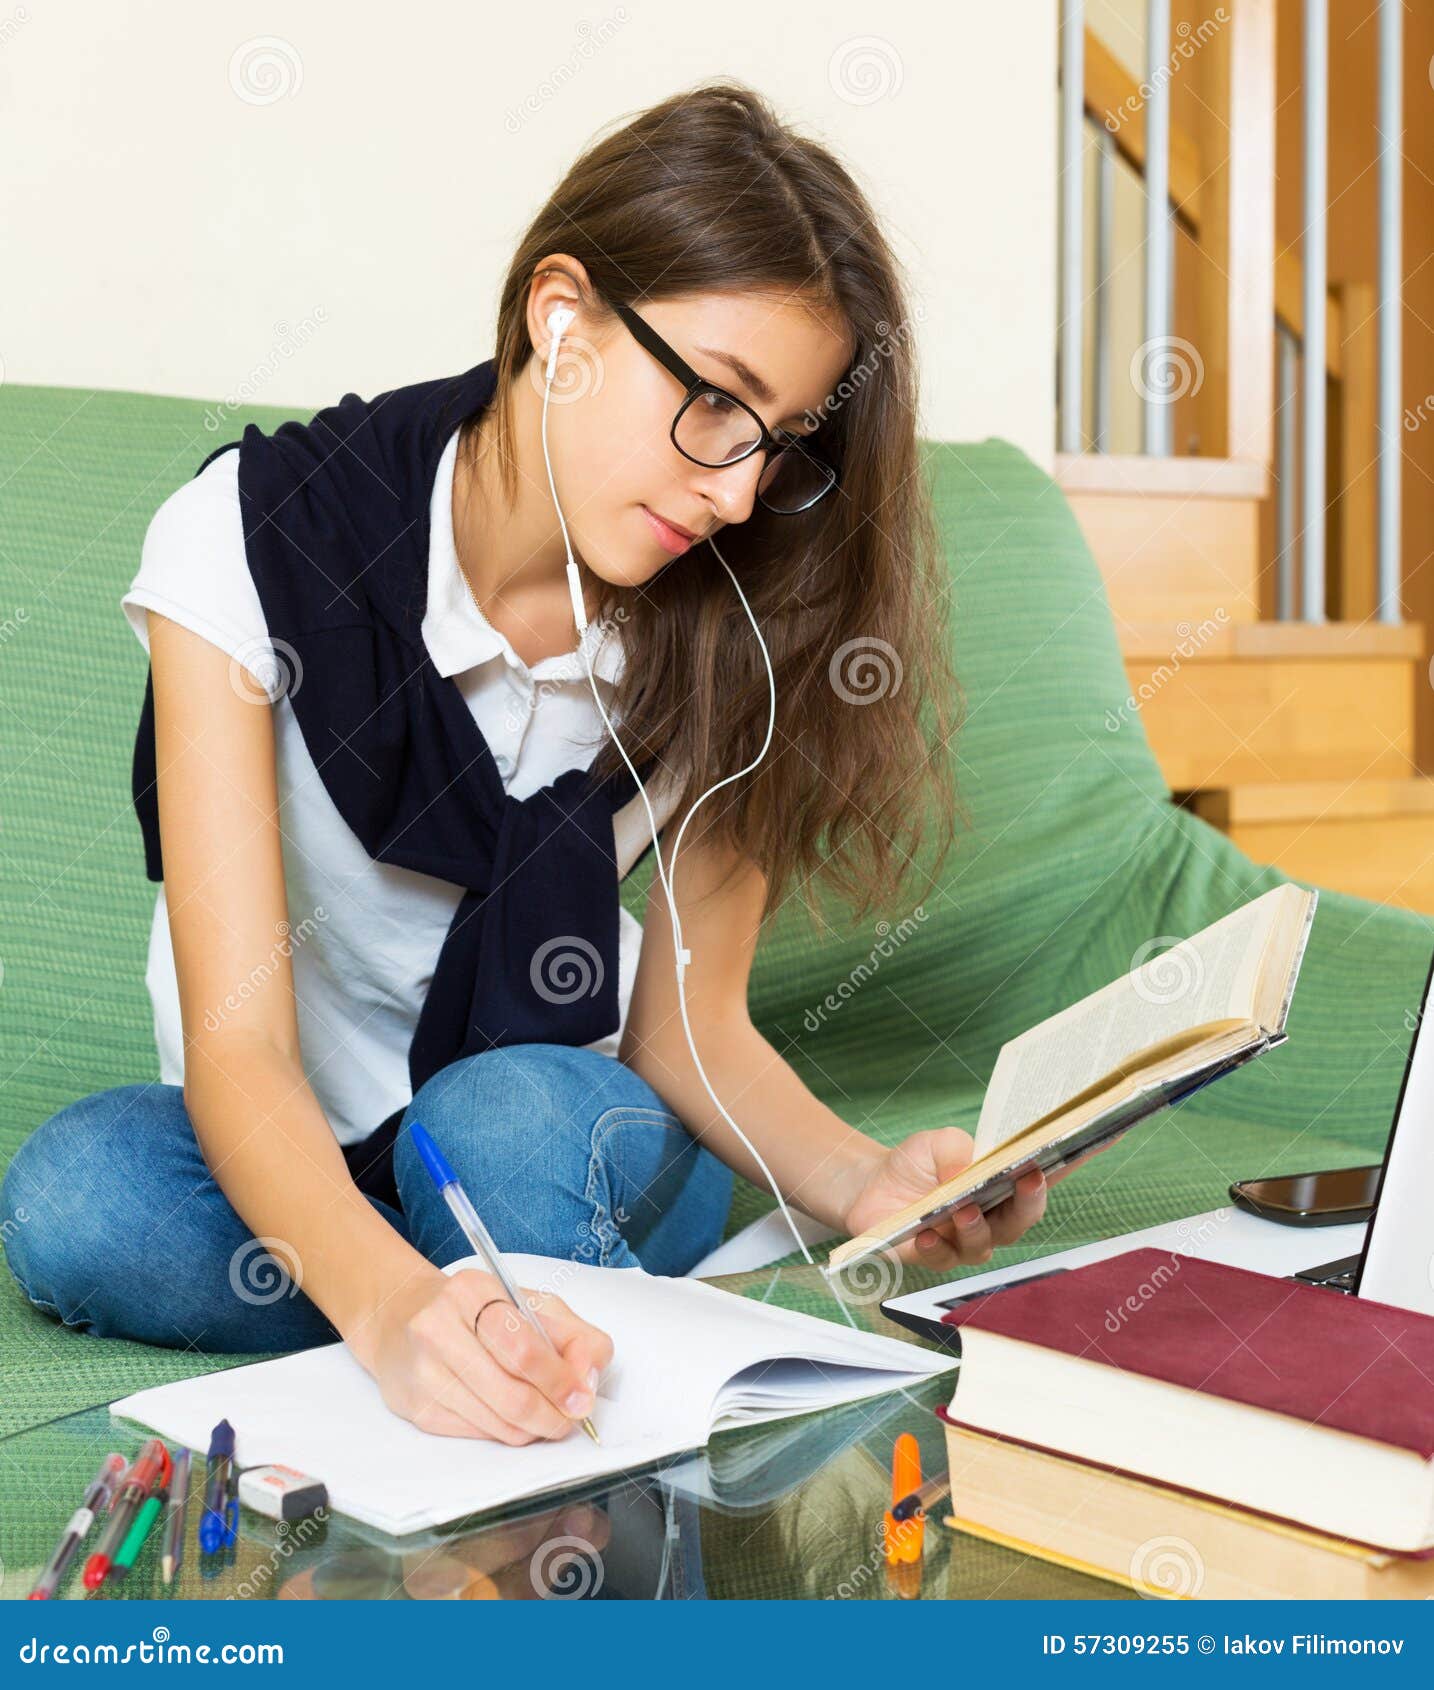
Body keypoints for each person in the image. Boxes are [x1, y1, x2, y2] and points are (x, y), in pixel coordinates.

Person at [2, 79, 1054, 1447]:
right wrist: (384, 1308)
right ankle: (460, 1288)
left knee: (489, 1125)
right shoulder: (247, 543)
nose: (737, 490)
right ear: (560, 321)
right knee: (75, 1200)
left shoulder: (739, 621)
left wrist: (867, 1184)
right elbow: (240, 1045)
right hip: (297, 1127)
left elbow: (691, 1030)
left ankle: (478, 1291)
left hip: (558, 1112)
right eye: (717, 407)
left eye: (779, 444)